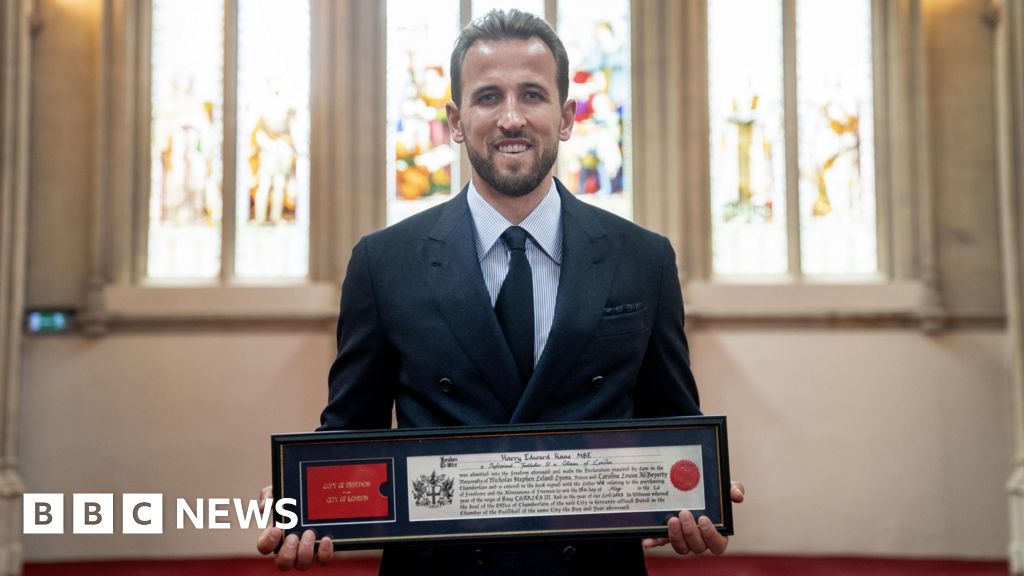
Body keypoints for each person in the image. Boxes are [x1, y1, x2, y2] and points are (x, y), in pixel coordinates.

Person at [258, 9, 744, 574]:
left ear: (565, 117)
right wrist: (307, 501)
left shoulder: (644, 258)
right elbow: (351, 427)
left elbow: (672, 421)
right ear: (456, 120)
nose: (511, 118)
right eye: (488, 97)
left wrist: (697, 492)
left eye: (532, 95)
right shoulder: (383, 262)